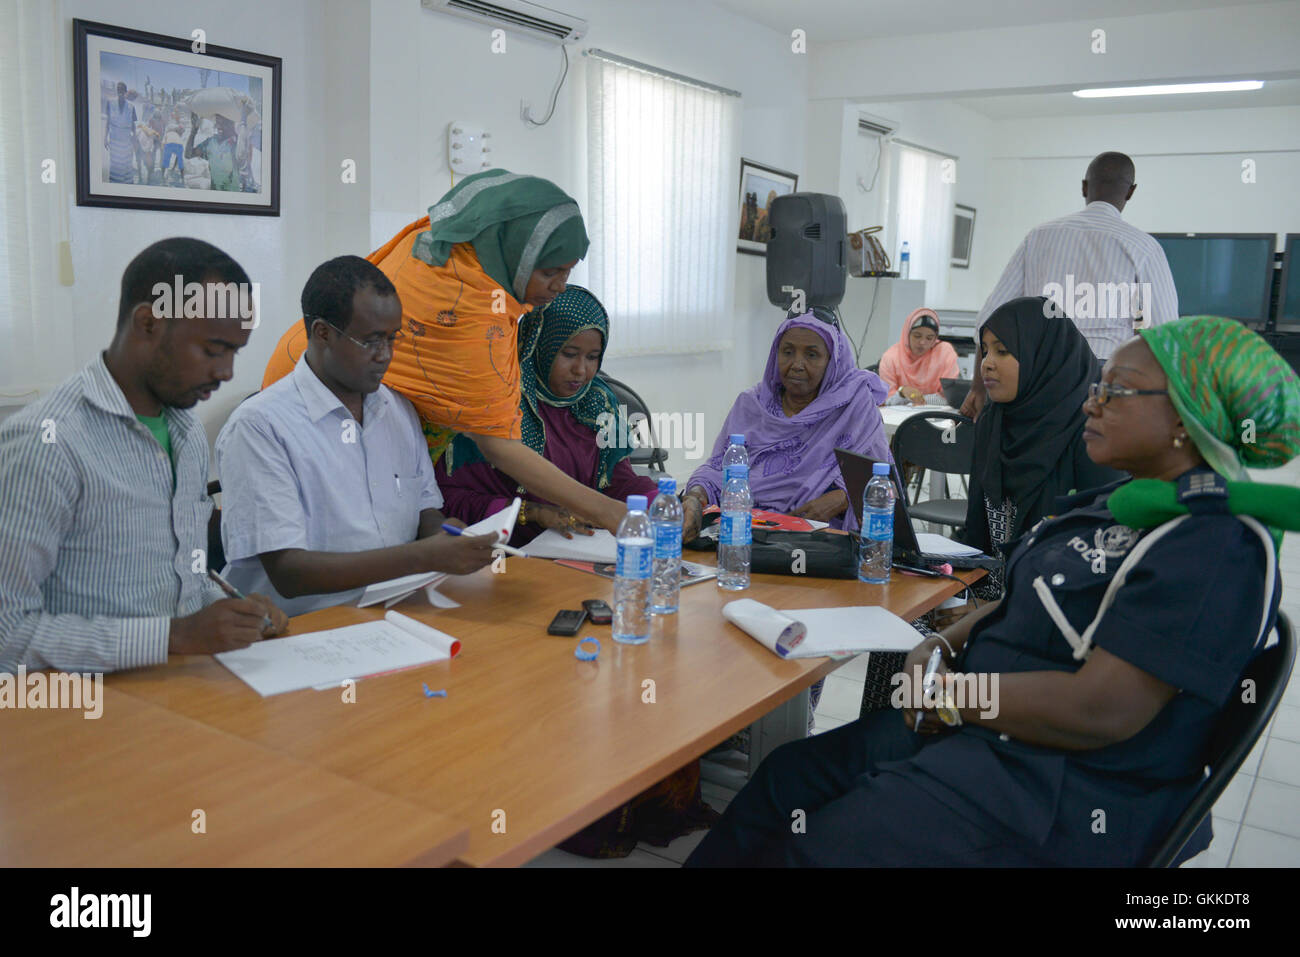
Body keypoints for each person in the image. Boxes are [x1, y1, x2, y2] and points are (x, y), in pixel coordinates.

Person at [687, 315, 1299, 867]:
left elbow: (1102, 710)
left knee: (820, 847)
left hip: (1050, 786)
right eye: (1097, 386)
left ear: (1191, 416)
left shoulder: (1213, 543)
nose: (1093, 404)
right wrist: (940, 647)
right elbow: (1022, 601)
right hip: (978, 729)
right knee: (784, 780)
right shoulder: (1117, 506)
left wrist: (951, 696)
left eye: (1117, 389)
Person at [259, 168, 629, 534]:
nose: (561, 287)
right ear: (517, 252)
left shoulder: (448, 245)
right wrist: (608, 512)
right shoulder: (468, 310)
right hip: (316, 411)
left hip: (347, 407)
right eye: (551, 272)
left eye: (568, 272)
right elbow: (500, 446)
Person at [0, 238, 289, 674]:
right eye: (214, 350)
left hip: (179, 685)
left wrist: (234, 609)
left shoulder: (186, 431)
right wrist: (173, 637)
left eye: (235, 352)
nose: (227, 372)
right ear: (148, 324)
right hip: (87, 711)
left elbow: (180, 581)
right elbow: (8, 633)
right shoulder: (48, 443)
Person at [215, 256, 498, 617]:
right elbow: (289, 572)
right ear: (323, 333)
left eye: (392, 338)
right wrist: (423, 556)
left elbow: (424, 509)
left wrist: (446, 535)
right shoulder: (260, 427)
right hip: (299, 628)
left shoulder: (397, 410)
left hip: (392, 612)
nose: (386, 355)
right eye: (371, 341)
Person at [962, 152, 1179, 420]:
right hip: (1103, 384)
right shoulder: (1142, 248)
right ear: (1131, 192)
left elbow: (990, 318)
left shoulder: (1038, 237)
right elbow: (1161, 336)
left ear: (1084, 187)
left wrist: (977, 387)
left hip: (1035, 380)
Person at [436, 285, 658, 546]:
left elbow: (619, 484)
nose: (581, 370)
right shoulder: (496, 405)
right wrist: (531, 512)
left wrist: (660, 503)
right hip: (508, 559)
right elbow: (448, 501)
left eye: (593, 357)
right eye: (569, 354)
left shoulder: (598, 404)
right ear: (539, 345)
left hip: (581, 557)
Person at [963, 298, 1124, 593]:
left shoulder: (1092, 432)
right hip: (985, 595)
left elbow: (1101, 553)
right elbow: (975, 532)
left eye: (1003, 350)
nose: (986, 363)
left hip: (1056, 605)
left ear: (1043, 355)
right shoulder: (992, 422)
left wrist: (996, 614)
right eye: (985, 351)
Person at [681, 314, 891, 538]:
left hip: (821, 540)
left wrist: (842, 498)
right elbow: (718, 467)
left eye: (812, 355)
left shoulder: (854, 408)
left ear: (832, 362)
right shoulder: (752, 404)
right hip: (743, 531)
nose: (797, 365)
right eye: (788, 352)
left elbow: (882, 484)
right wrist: (695, 495)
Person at [878, 308, 960, 406]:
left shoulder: (944, 353)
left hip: (936, 418)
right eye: (917, 336)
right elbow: (884, 401)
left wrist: (914, 399)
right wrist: (902, 392)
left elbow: (950, 398)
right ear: (907, 334)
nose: (922, 342)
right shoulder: (891, 358)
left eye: (929, 338)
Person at [186, 110, 242, 192]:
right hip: (215, 195)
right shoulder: (210, 143)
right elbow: (188, 154)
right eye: (218, 122)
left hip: (233, 197)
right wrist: (194, 130)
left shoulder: (235, 143)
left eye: (224, 123)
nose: (219, 126)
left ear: (231, 125)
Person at [104, 81, 137, 184]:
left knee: (127, 166)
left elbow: (133, 124)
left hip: (126, 141)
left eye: (122, 91)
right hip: (114, 140)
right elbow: (108, 121)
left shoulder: (131, 106)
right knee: (115, 166)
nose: (120, 93)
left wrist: (135, 137)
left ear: (126, 92)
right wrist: (105, 138)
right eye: (119, 90)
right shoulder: (110, 103)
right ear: (117, 91)